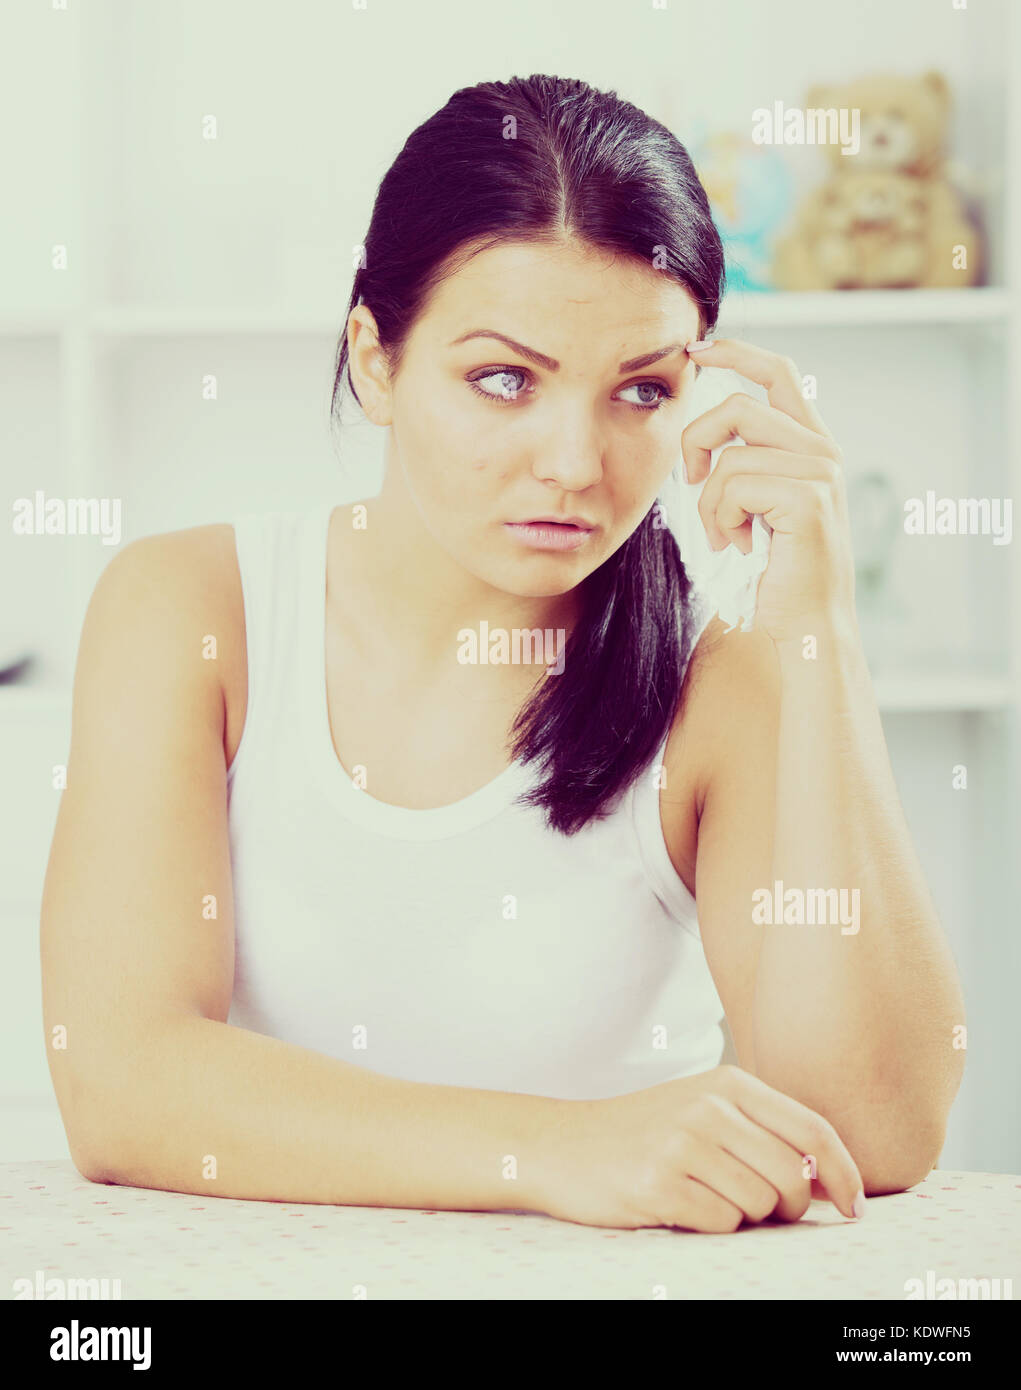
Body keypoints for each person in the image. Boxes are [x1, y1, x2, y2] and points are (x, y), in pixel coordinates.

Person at [40, 73, 964, 1233]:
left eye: (641, 390)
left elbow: (870, 1132)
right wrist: (557, 1151)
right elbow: (121, 1079)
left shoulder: (721, 675)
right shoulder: (188, 609)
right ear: (374, 359)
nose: (575, 463)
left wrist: (818, 631)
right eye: (503, 379)